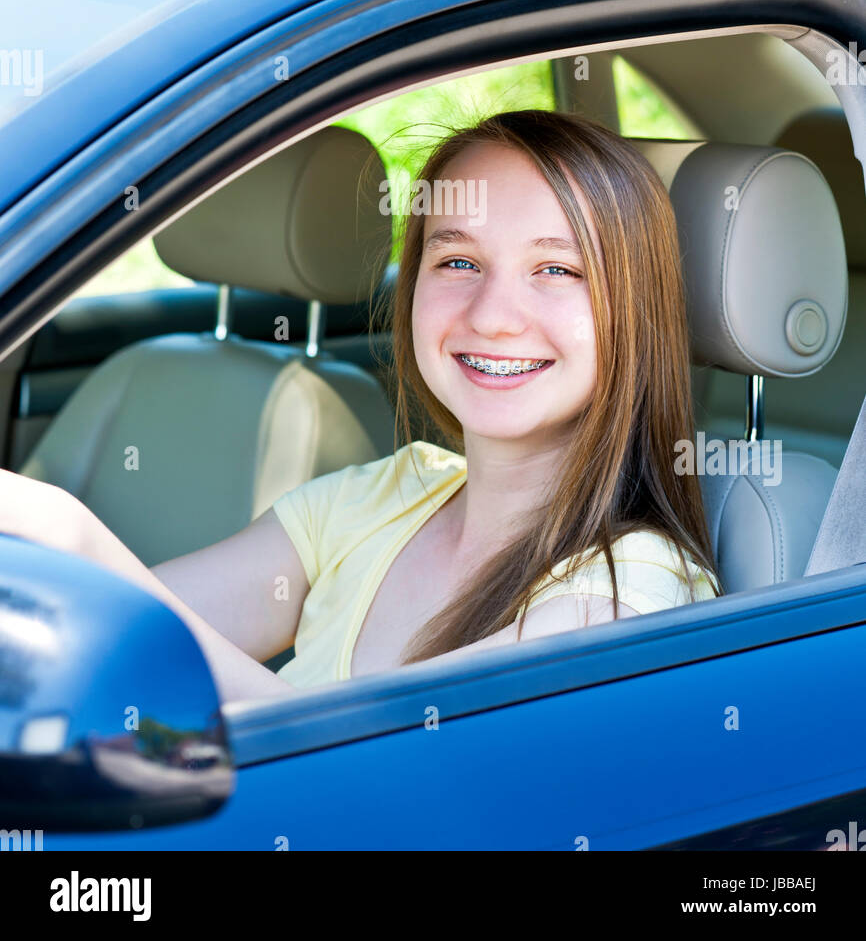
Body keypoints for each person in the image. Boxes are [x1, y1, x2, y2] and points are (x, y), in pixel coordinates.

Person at [0, 109, 721, 706]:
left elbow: (374, 773)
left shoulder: (631, 592)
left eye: (558, 270)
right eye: (458, 261)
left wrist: (75, 538)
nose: (495, 315)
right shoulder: (382, 494)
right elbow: (116, 641)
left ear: (635, 312)